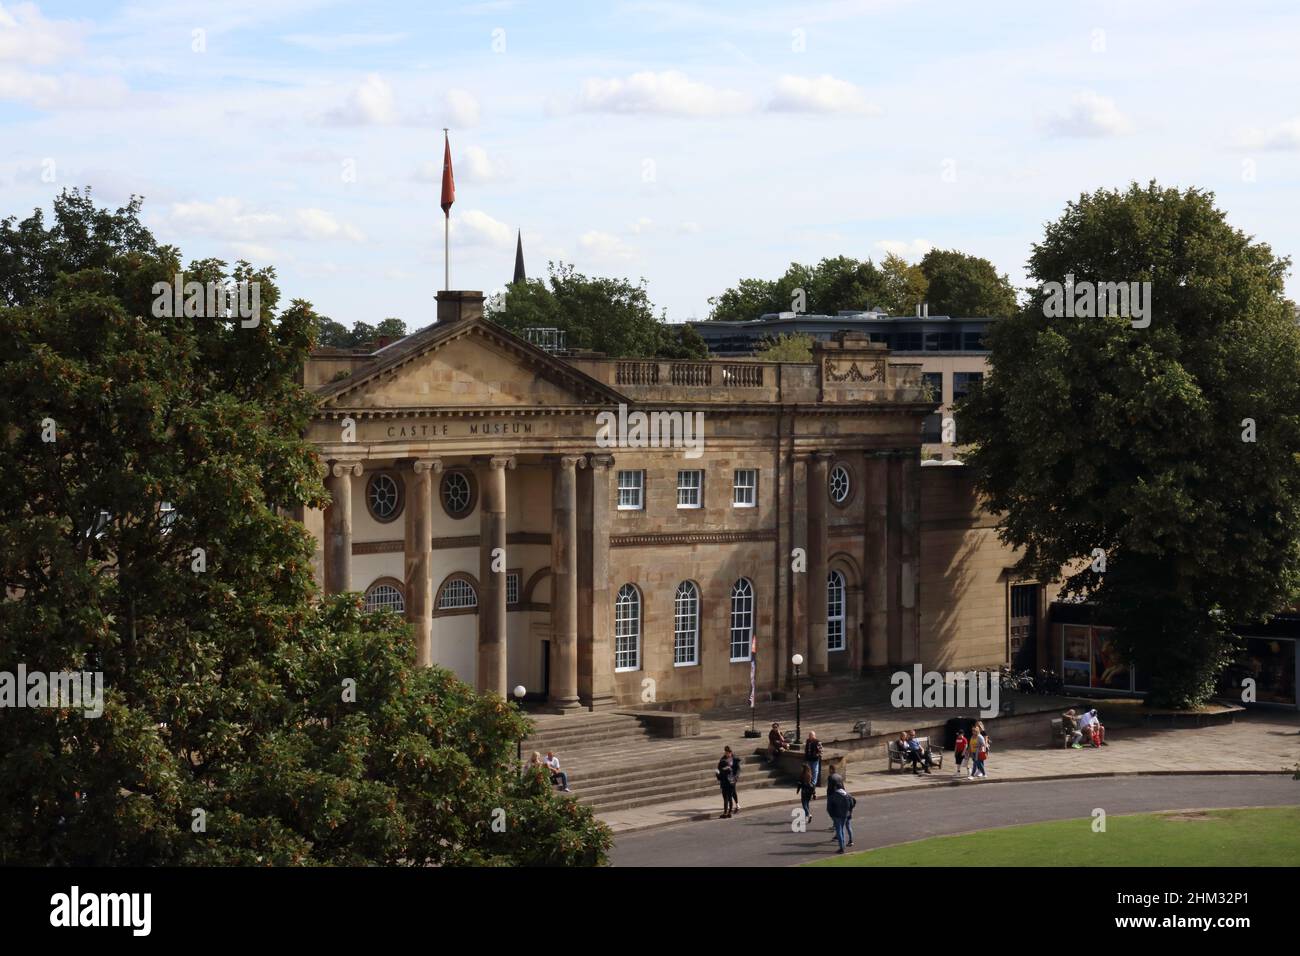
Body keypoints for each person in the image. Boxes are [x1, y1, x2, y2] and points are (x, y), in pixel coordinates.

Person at [825, 773, 856, 854]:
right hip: (845, 815)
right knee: (843, 829)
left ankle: (841, 847)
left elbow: (829, 808)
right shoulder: (848, 795)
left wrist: (832, 815)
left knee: (839, 830)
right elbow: (852, 803)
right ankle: (847, 842)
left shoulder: (833, 796)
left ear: (835, 787)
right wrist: (849, 811)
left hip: (836, 815)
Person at [716, 746, 740, 818]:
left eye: (728, 752)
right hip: (728, 781)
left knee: (728, 797)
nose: (726, 754)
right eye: (725, 752)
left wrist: (736, 778)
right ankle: (728, 812)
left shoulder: (734, 760)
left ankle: (728, 812)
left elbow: (737, 769)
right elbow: (719, 770)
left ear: (731, 752)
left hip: (730, 781)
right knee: (728, 797)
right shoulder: (723, 761)